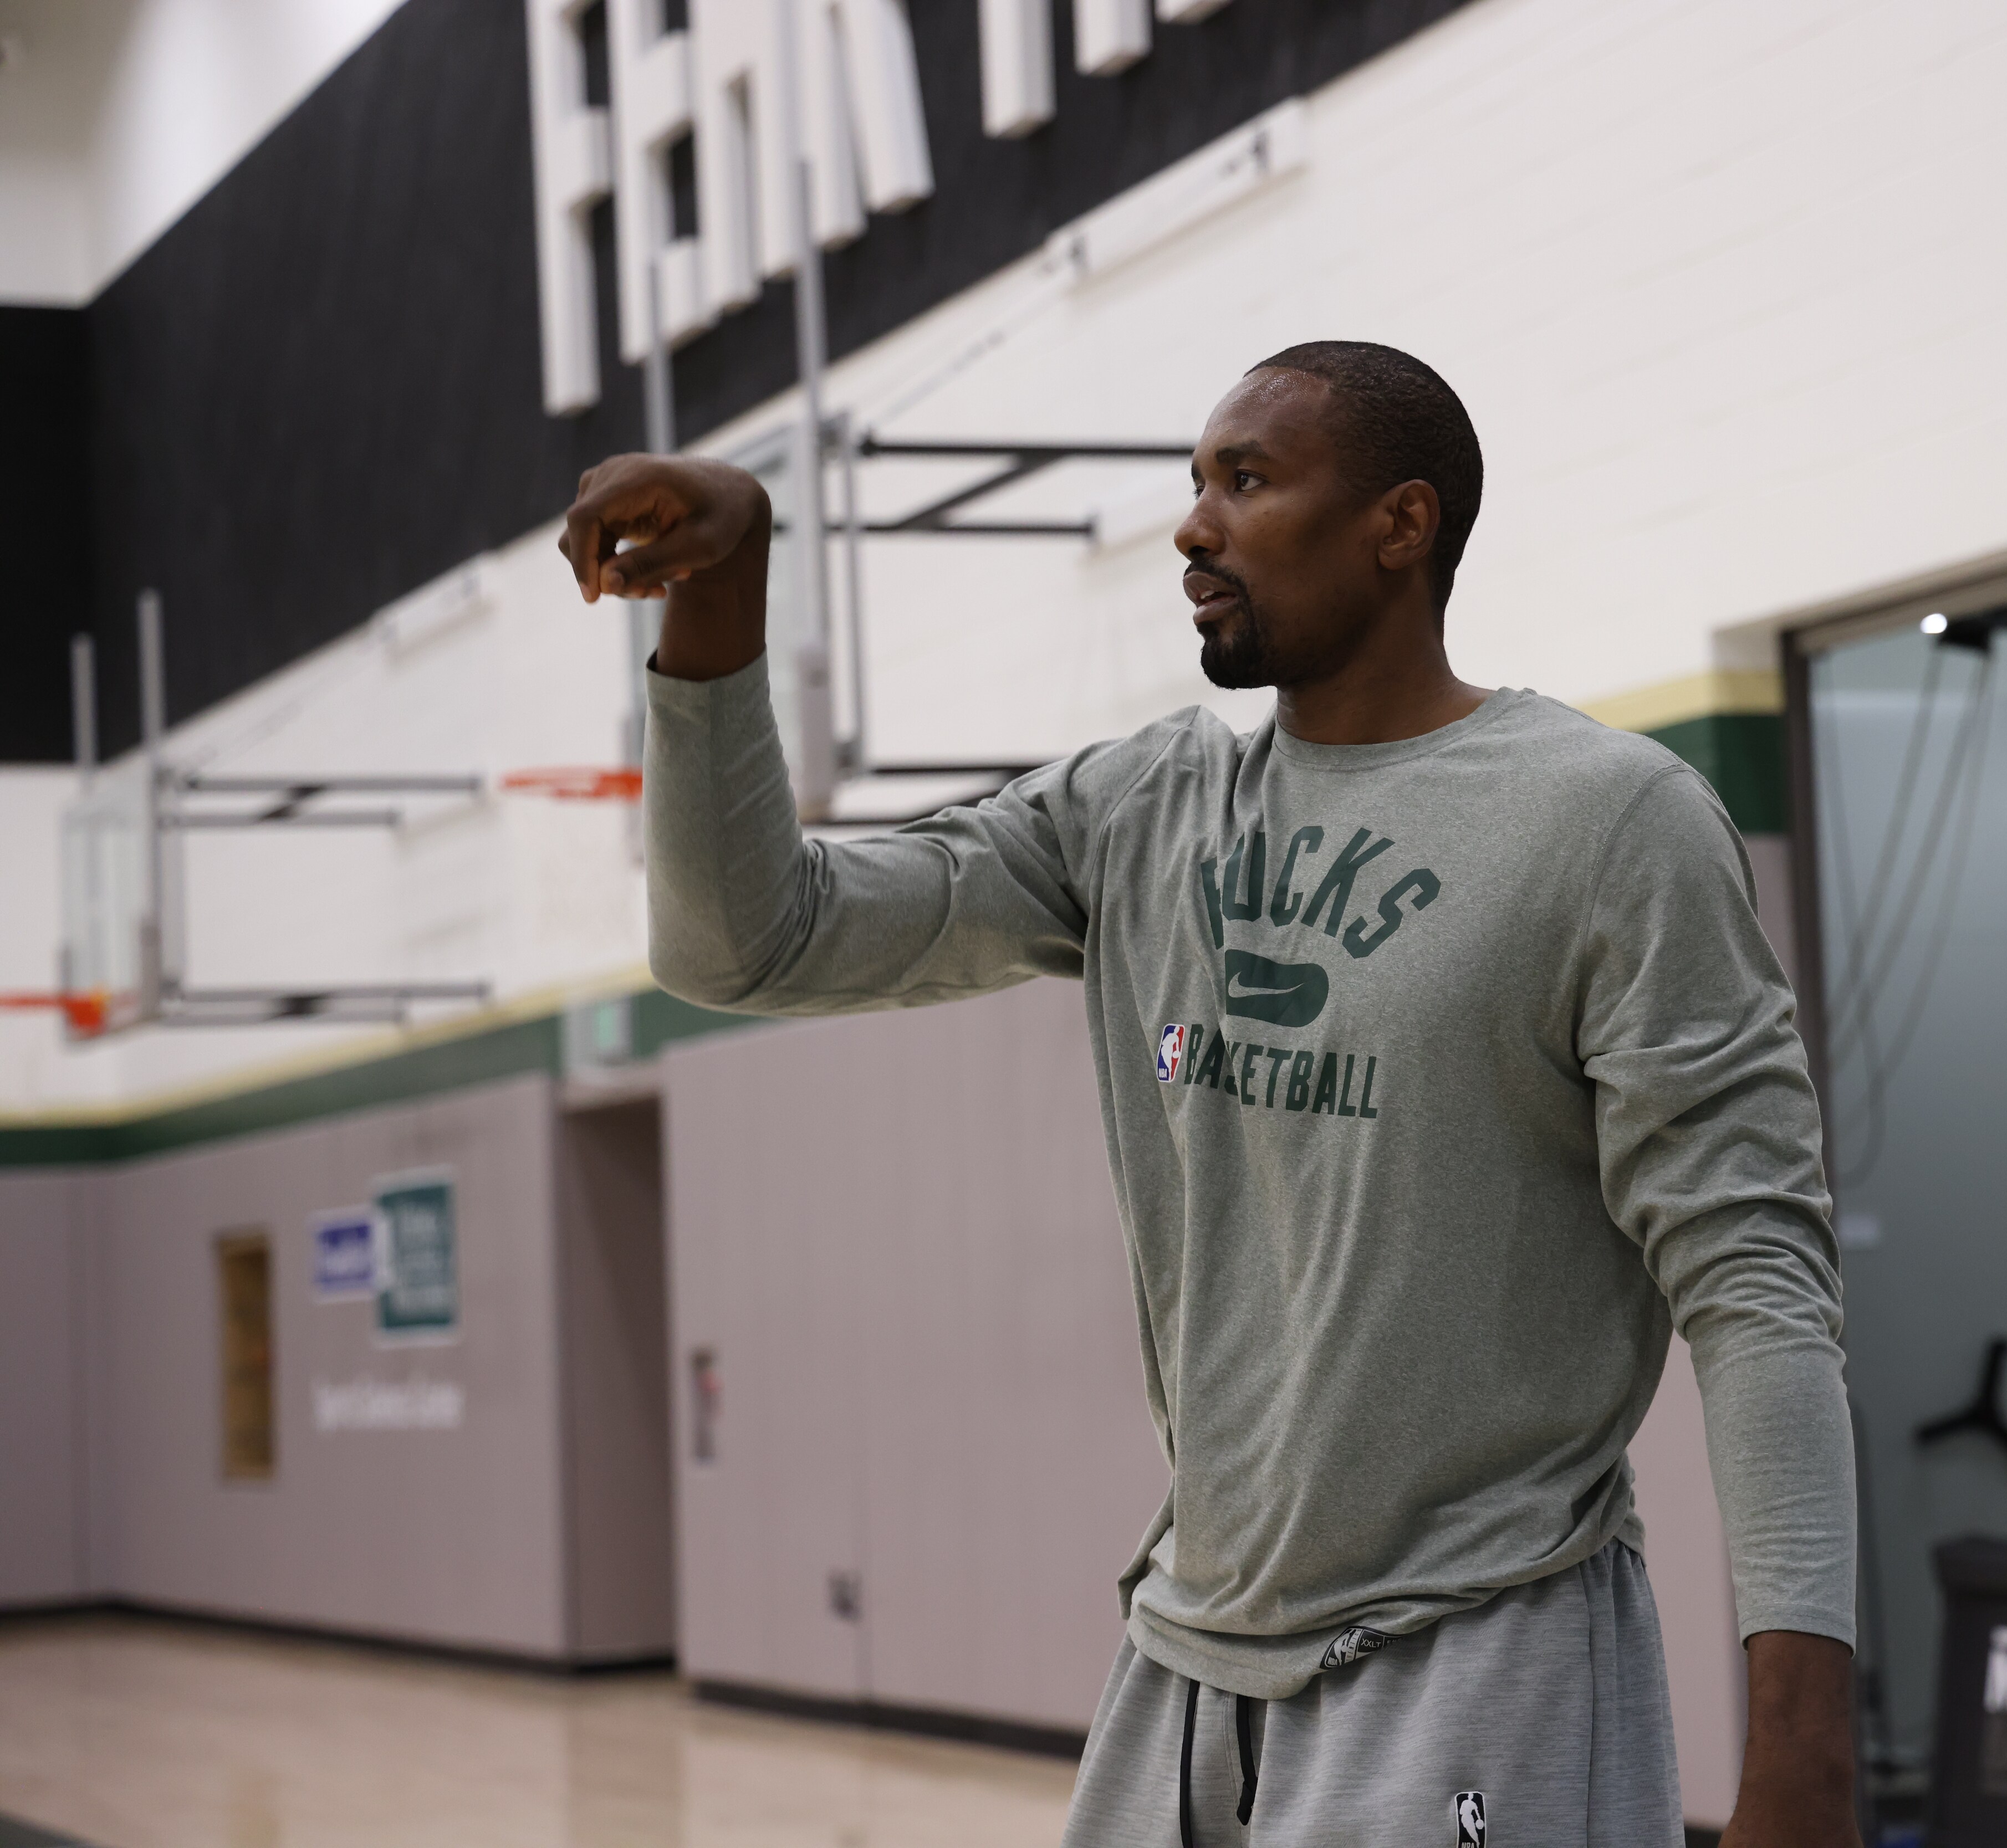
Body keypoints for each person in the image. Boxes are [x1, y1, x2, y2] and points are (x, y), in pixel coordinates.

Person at [558, 341, 1861, 1847]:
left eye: (1245, 481)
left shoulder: (1607, 821)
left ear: (1401, 524)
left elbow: (1758, 1282)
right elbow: (748, 944)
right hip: (1184, 1662)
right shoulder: (1138, 812)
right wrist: (720, 613)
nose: (1193, 526)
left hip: (1477, 1656)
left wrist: (1804, 1747)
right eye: (1195, 484)